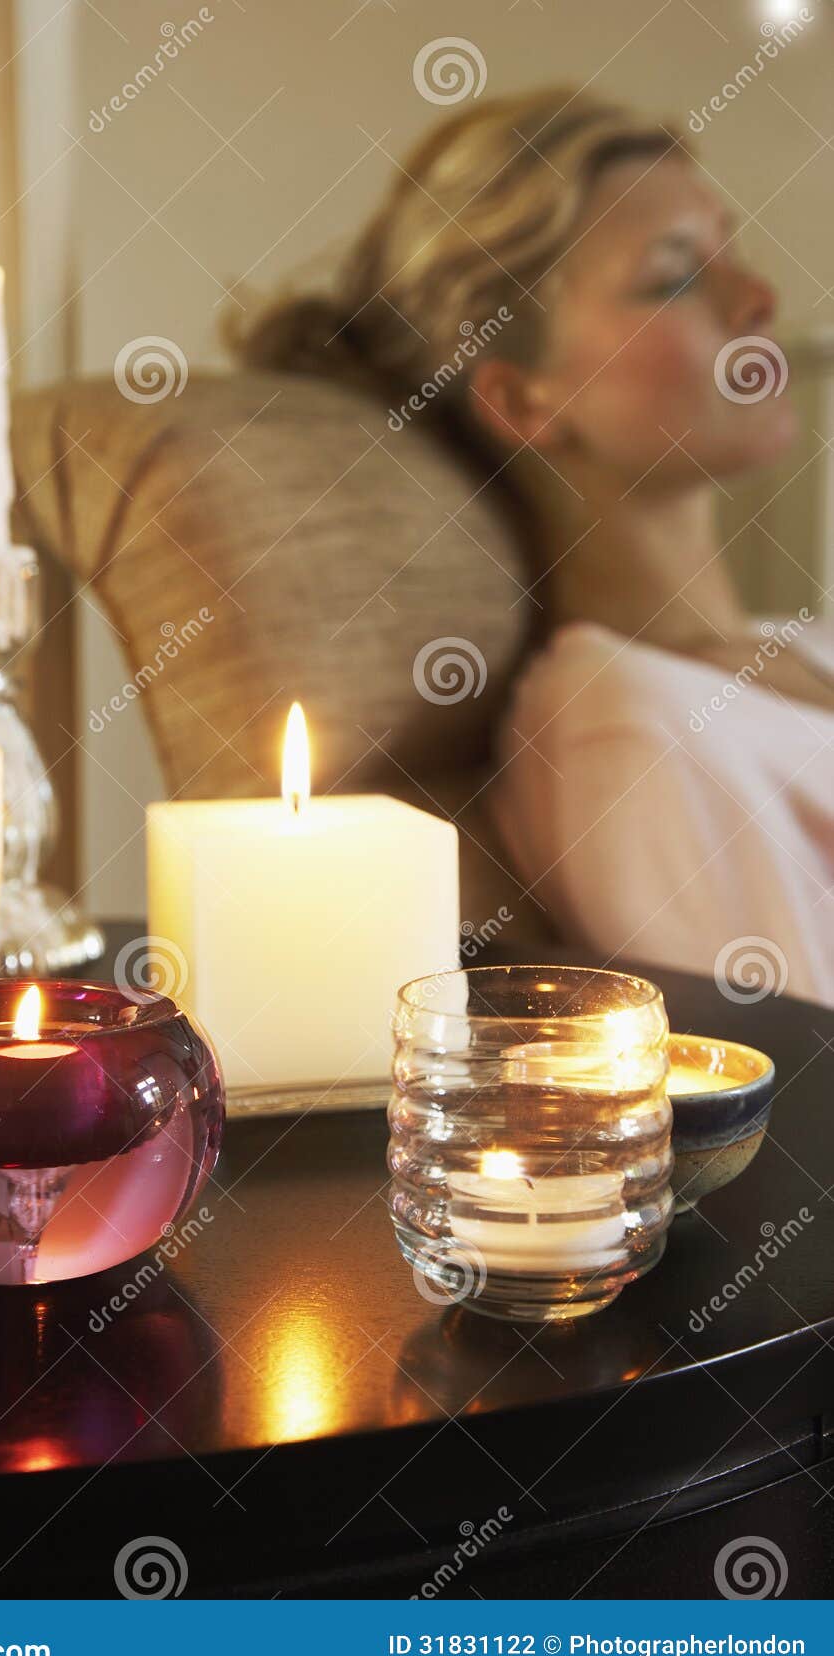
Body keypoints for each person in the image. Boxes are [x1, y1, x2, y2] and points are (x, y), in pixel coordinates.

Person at [231, 87, 834, 1001]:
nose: (757, 297)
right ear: (521, 400)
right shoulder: (629, 731)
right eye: (672, 275)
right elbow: (786, 1097)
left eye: (728, 251)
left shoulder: (791, 643)